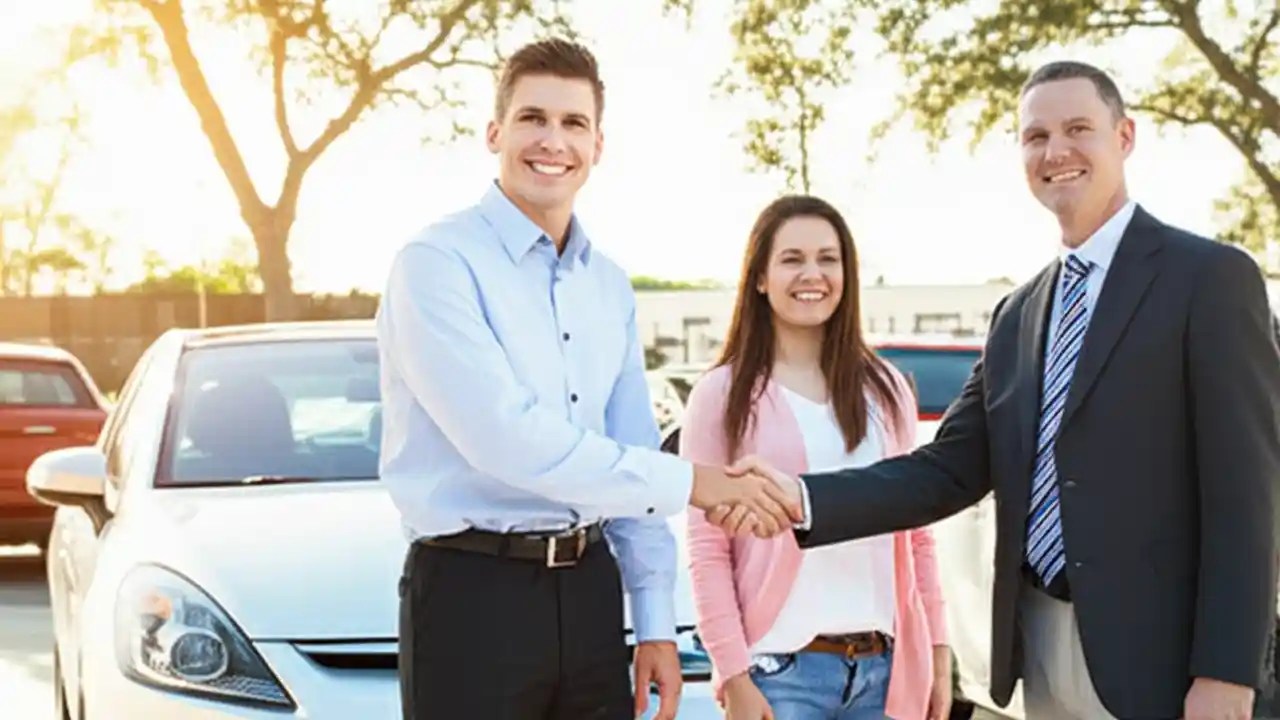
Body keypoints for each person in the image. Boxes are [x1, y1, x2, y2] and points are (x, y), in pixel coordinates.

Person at [718, 61, 1280, 719]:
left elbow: (1250, 496)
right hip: (1037, 648)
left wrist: (1227, 672)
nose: (1056, 151)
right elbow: (946, 470)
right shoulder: (1019, 314)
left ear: (1124, 136)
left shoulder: (1209, 279)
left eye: (1078, 129)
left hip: (1164, 663)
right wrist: (801, 497)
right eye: (1036, 136)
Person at [375, 38, 799, 720]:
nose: (553, 141)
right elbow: (505, 438)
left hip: (591, 596)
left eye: (574, 124)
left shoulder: (608, 286)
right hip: (472, 597)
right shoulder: (435, 265)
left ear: (599, 145)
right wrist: (699, 483)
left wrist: (655, 619)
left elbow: (627, 443)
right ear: (495, 133)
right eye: (532, 118)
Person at [680, 195, 954, 720]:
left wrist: (938, 648)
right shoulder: (722, 394)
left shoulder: (887, 388)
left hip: (885, 672)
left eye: (828, 259)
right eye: (792, 259)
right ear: (760, 277)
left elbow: (916, 533)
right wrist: (733, 673)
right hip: (780, 677)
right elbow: (706, 547)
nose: (813, 274)